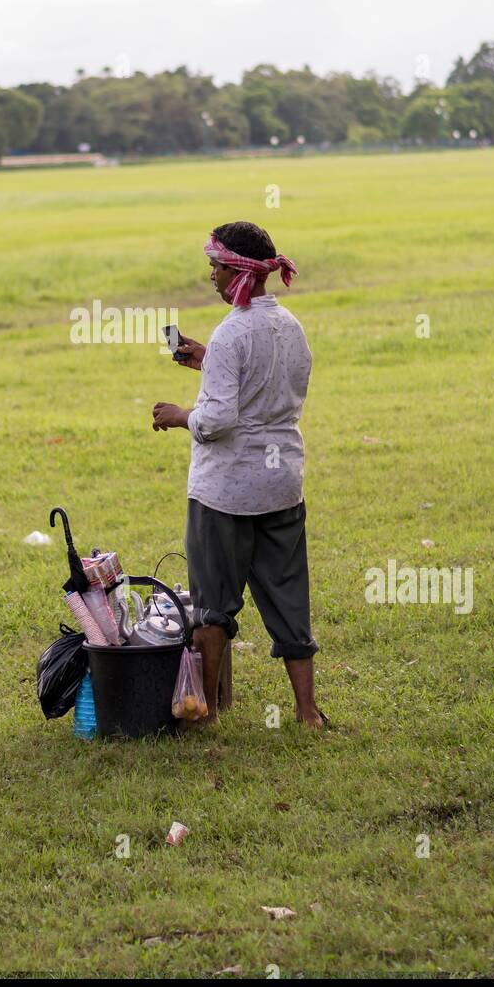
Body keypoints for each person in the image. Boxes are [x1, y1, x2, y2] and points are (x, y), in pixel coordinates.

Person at [152, 220, 326, 729]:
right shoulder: (289, 326)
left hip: (225, 491)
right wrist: (210, 362)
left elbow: (219, 420)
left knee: (212, 605)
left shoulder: (232, 332)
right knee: (289, 594)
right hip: (282, 484)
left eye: (216, 267)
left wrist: (180, 415)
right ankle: (307, 712)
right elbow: (275, 389)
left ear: (238, 273)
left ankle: (202, 712)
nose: (211, 276)